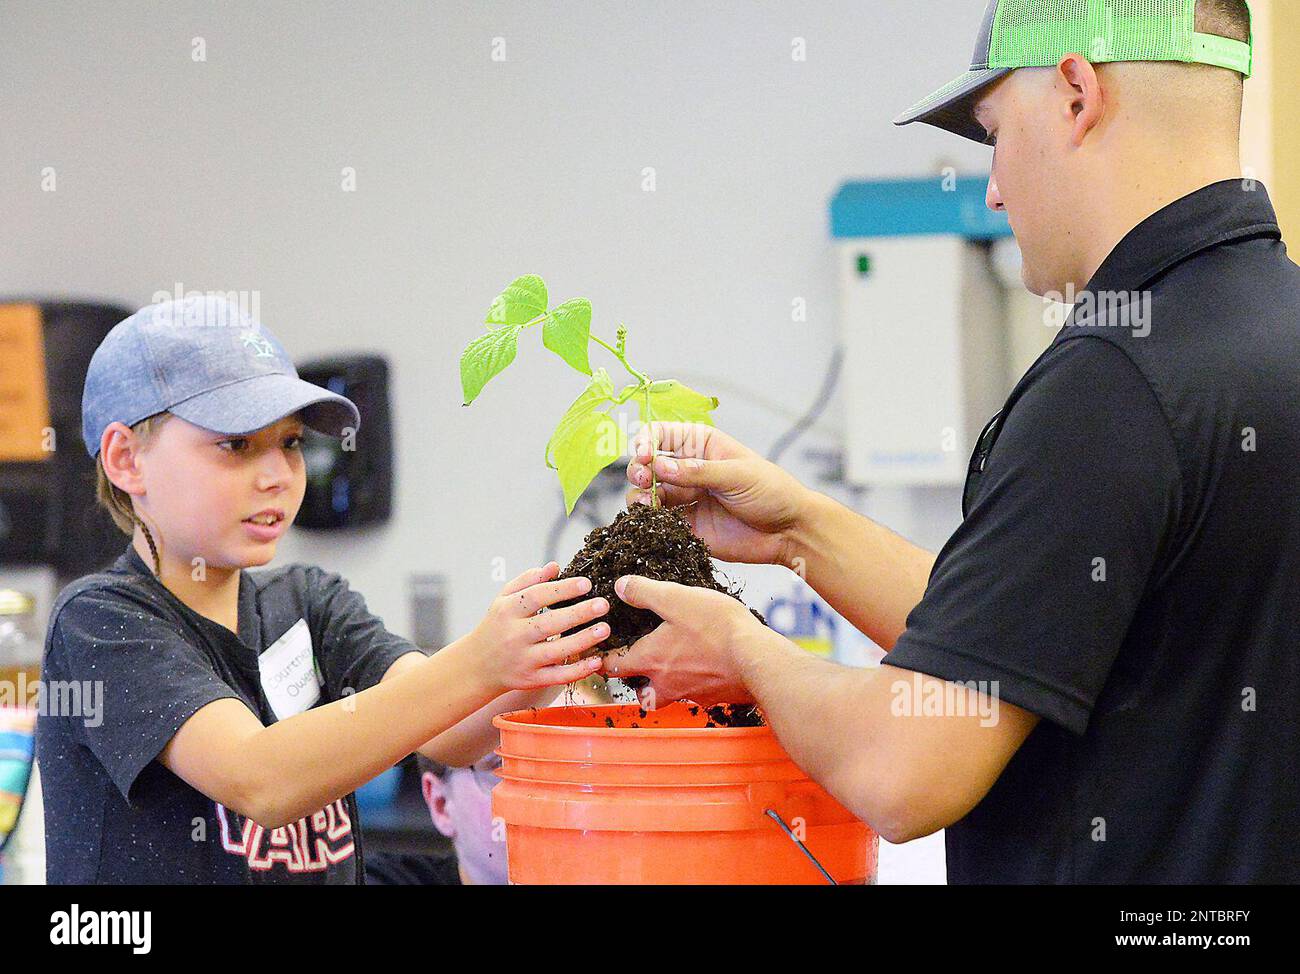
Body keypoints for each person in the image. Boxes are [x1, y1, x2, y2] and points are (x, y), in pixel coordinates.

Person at [605, 0, 1299, 883]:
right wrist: (795, 532)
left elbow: (903, 772)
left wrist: (739, 648)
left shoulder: (1112, 383)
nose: (996, 190)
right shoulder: (1272, 337)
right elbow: (1028, 639)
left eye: (994, 132)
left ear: (1077, 94)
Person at [37, 295, 611, 884]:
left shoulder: (309, 601)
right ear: (126, 459)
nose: (279, 476)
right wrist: (482, 659)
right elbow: (260, 779)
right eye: (236, 445)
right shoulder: (101, 621)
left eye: (290, 443)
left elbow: (450, 735)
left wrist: (560, 638)